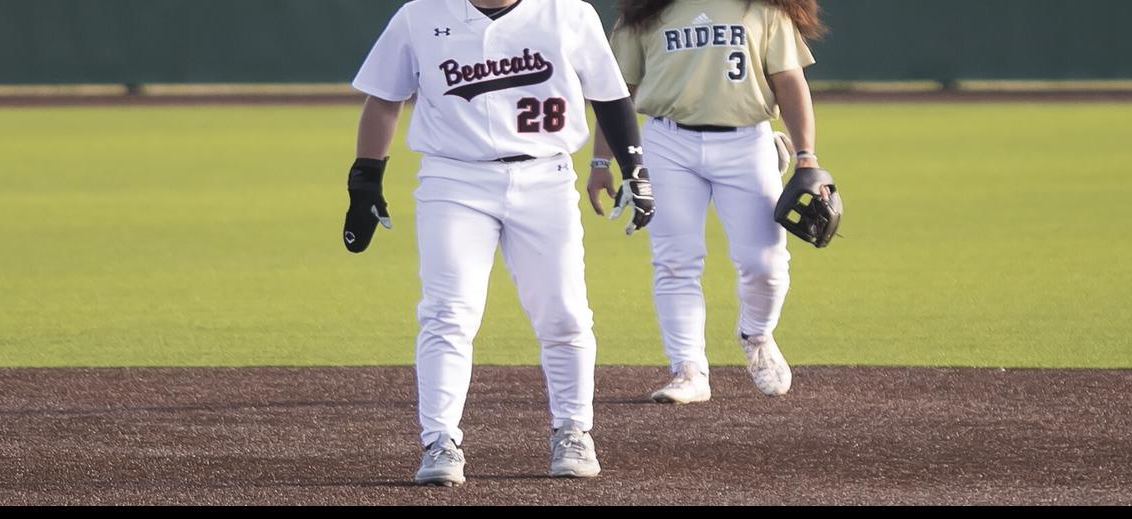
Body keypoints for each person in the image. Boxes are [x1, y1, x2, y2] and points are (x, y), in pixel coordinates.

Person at [344, 0, 655, 486]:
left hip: (546, 176)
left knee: (564, 313)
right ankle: (439, 440)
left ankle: (573, 430)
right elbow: (384, 98)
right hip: (453, 179)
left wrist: (634, 167)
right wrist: (365, 179)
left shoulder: (568, 14)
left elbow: (610, 97)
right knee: (448, 312)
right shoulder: (420, 15)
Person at [589, 0, 826, 404]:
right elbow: (619, 94)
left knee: (765, 263)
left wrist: (807, 156)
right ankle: (688, 369)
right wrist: (601, 161)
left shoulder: (763, 9)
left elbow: (789, 82)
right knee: (675, 260)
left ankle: (756, 334)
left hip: (747, 141)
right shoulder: (644, 11)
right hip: (668, 141)